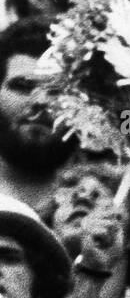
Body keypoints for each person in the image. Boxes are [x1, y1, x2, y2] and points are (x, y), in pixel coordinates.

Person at [0, 17, 75, 214]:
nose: (41, 101)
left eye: (58, 90)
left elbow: (128, 125)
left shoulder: (115, 199)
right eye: (23, 86)